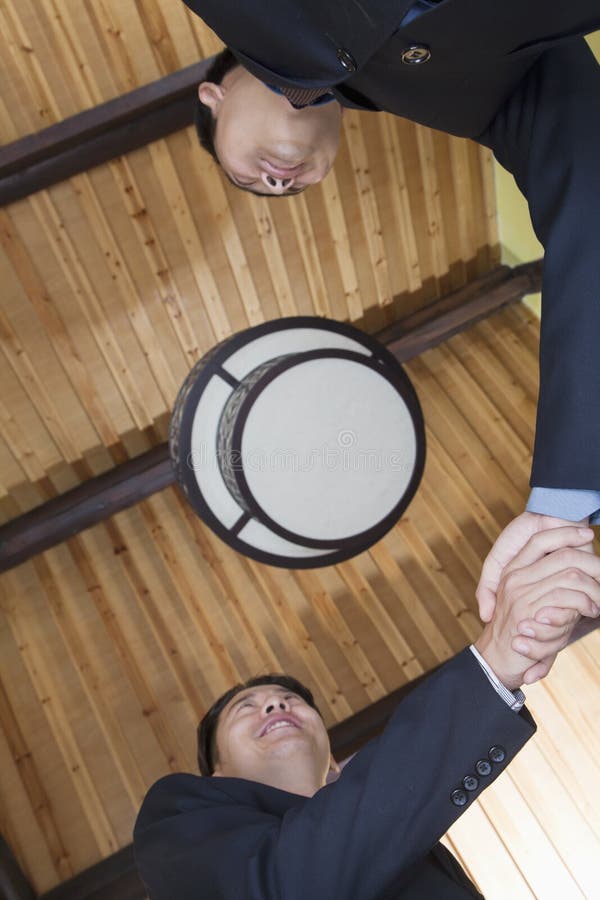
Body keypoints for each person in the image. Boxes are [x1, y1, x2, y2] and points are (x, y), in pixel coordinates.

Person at [184, 0, 600, 623]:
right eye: (285, 192)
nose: (275, 184)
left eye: (243, 175)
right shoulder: (473, 104)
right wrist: (562, 502)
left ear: (212, 96)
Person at [134, 525, 600, 898]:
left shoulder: (410, 841)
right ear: (216, 773)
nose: (275, 703)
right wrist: (493, 666)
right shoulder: (177, 814)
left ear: (334, 764)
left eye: (291, 699)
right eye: (245, 707)